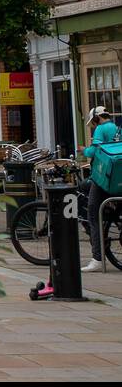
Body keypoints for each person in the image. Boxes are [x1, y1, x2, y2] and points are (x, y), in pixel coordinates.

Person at [81, 107, 118, 274]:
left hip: (102, 177)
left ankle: (97, 258)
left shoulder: (100, 129)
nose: (93, 125)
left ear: (96, 119)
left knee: (93, 215)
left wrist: (83, 150)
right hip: (117, 178)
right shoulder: (117, 128)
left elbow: (95, 151)